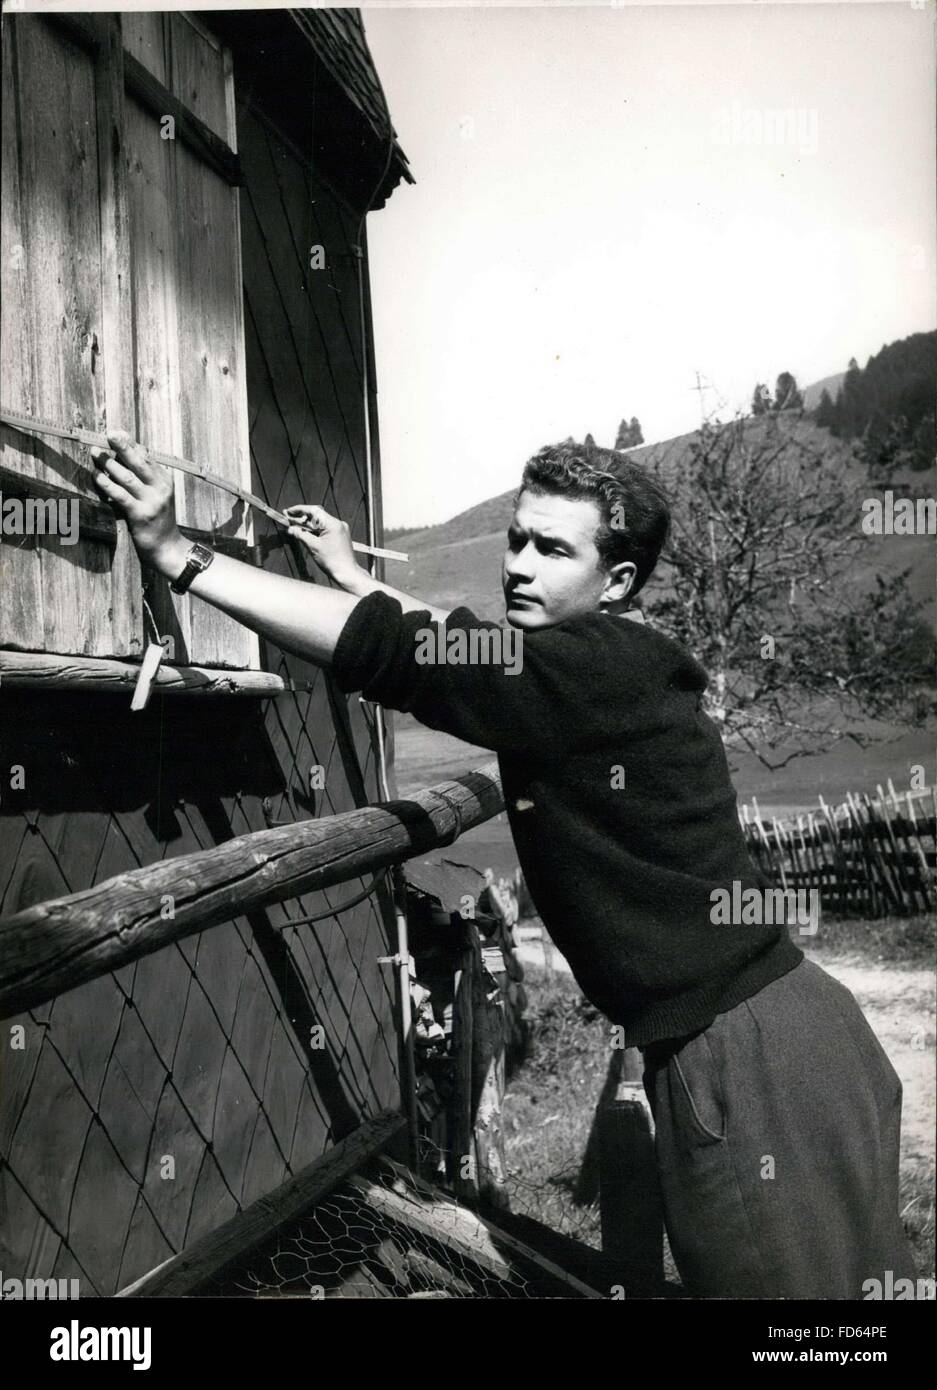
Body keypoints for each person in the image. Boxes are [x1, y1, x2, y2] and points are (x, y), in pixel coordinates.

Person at [92, 431, 917, 1299]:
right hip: (789, 1035)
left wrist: (179, 556)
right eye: (516, 539)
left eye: (553, 549)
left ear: (617, 581)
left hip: (748, 1062)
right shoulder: (595, 661)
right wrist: (346, 572)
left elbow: (414, 654)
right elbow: (448, 640)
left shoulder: (587, 668)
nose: (520, 565)